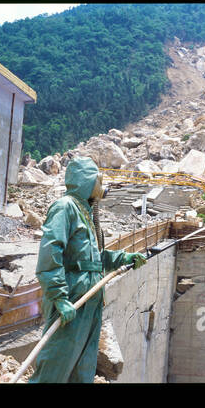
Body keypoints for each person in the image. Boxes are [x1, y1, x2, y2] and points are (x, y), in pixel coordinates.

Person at [31, 156, 147, 383]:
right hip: (73, 297)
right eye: (98, 179)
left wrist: (123, 257)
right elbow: (50, 253)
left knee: (82, 368)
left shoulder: (85, 211)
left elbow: (94, 258)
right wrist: (59, 297)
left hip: (91, 299)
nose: (101, 184)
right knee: (56, 364)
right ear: (85, 179)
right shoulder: (65, 208)